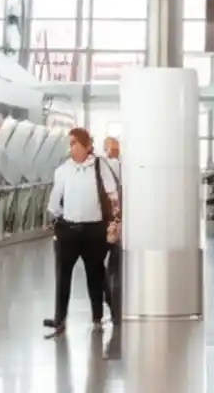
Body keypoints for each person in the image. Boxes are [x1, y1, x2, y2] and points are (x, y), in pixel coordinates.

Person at [44, 128, 119, 335]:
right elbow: (54, 200)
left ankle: (98, 317)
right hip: (68, 230)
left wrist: (114, 221)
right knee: (63, 274)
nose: (72, 147)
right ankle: (59, 319)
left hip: (94, 231)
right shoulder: (63, 170)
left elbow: (112, 195)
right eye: (70, 143)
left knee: (95, 273)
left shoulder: (99, 165)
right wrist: (57, 218)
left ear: (87, 146)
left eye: (76, 143)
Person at [100, 136, 123, 322]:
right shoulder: (120, 167)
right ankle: (114, 307)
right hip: (116, 224)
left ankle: (107, 303)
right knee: (115, 266)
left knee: (100, 265)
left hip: (100, 223)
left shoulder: (100, 167)